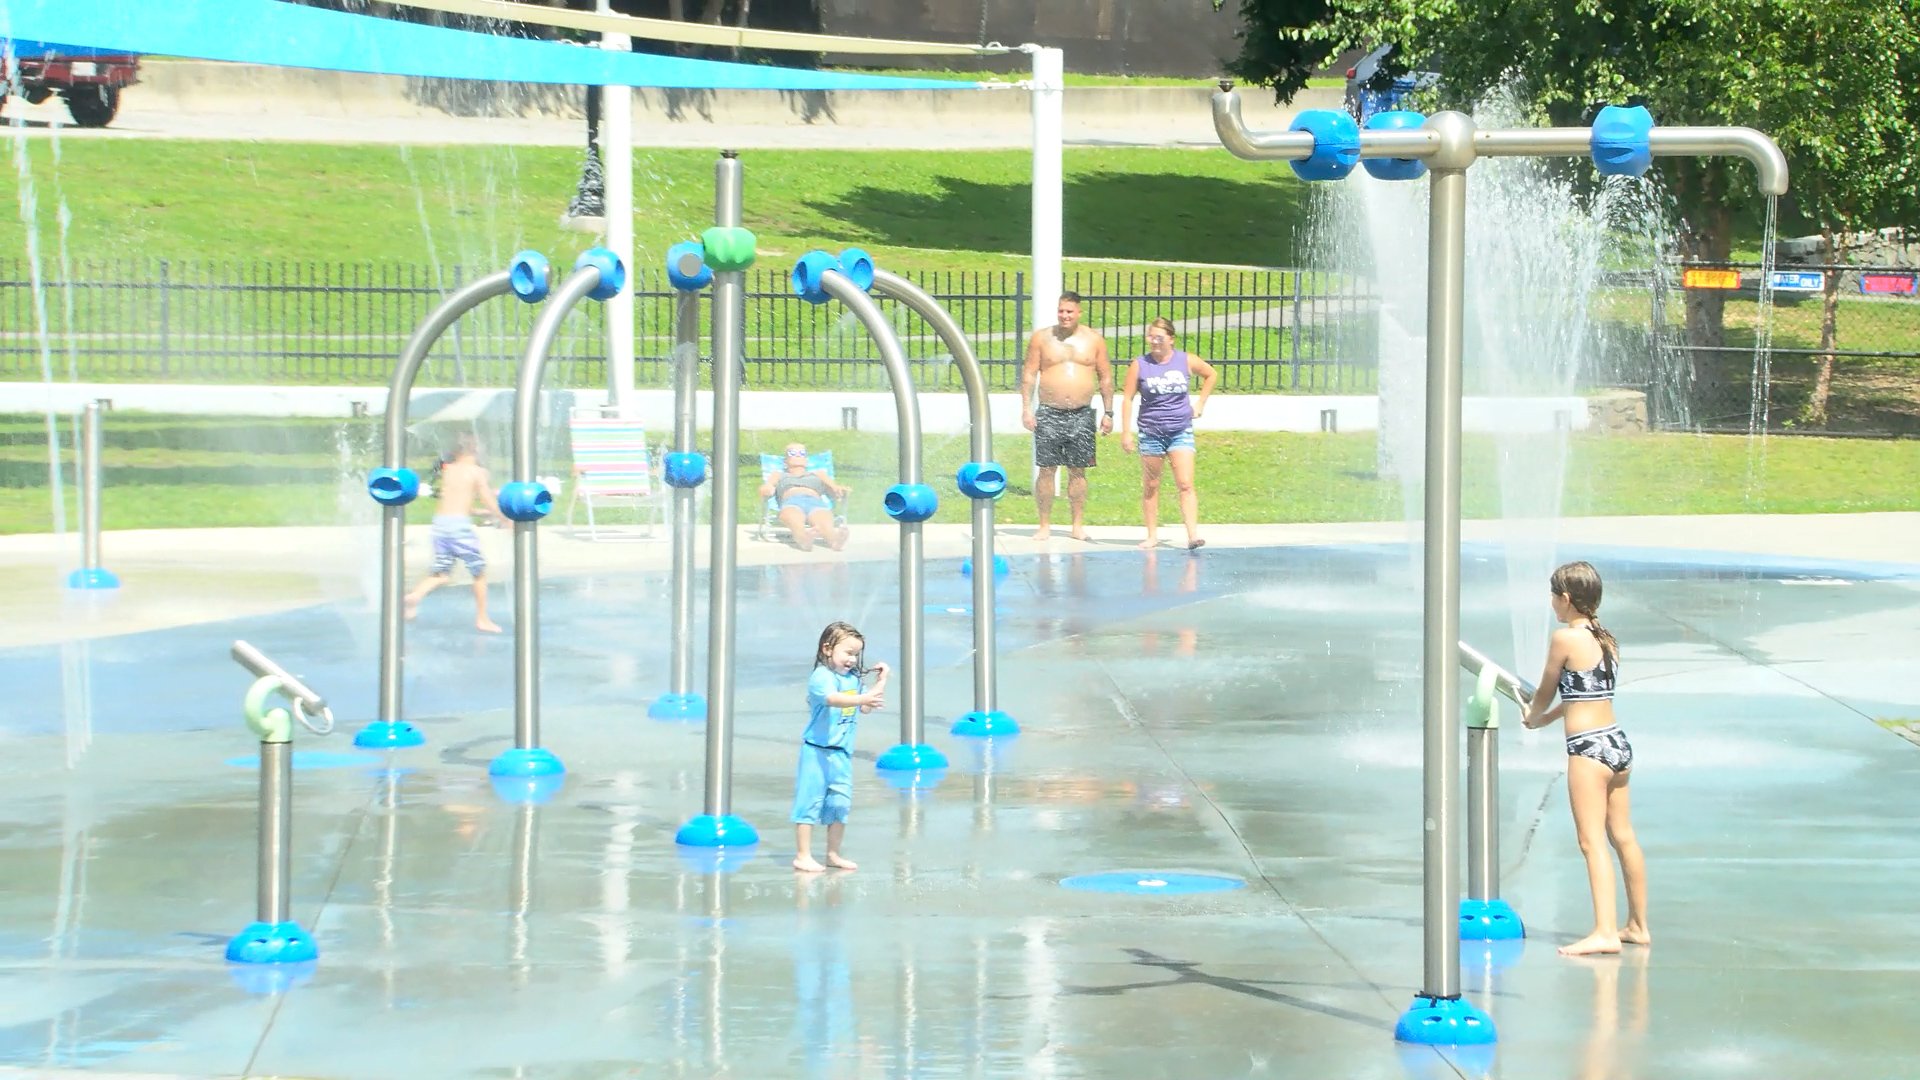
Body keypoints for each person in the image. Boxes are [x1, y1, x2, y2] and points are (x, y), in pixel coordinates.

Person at [1522, 560, 1650, 956]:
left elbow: (1546, 689)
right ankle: (1638, 926)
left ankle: (1604, 932)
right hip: (1616, 743)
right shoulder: (1606, 638)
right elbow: (1586, 697)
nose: (1551, 603)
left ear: (1566, 598)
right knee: (1623, 837)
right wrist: (1546, 719)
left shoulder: (1565, 639)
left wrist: (1532, 713)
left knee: (1590, 841)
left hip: (1588, 749)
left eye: (1553, 595)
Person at [793, 621, 889, 873]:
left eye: (856, 654)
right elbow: (832, 699)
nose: (853, 659)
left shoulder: (853, 680)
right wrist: (862, 698)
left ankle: (833, 854)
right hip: (816, 751)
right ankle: (803, 855)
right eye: (848, 652)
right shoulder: (821, 677)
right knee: (809, 802)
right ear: (827, 649)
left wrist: (881, 682)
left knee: (840, 804)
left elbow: (867, 707)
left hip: (842, 754)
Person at [1119, 317, 1218, 551]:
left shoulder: (1185, 360)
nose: (1154, 342)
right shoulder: (1140, 364)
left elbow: (1211, 375)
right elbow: (1127, 398)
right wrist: (1126, 433)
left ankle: (1193, 534)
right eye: (1150, 336)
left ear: (1171, 339)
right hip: (1151, 431)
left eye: (1159, 337)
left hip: (1180, 429)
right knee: (1152, 484)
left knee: (1185, 483)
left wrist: (1201, 403)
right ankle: (1152, 535)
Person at [1020, 291, 1113, 541]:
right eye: (1061, 311)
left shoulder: (1094, 340)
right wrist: (1026, 409)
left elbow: (1105, 377)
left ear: (1079, 312)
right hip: (1049, 412)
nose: (1064, 315)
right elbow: (1029, 374)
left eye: (1069, 311)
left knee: (1078, 471)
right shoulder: (1042, 339)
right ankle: (1044, 525)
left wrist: (1108, 412)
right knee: (1047, 469)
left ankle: (1077, 525)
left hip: (1081, 414)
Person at [404, 433, 504, 633]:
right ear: (475, 450)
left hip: (440, 525)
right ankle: (482, 618)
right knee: (479, 572)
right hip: (459, 528)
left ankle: (414, 597)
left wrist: (480, 512)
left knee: (442, 573)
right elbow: (486, 498)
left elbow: (460, 503)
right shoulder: (477, 472)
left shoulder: (449, 471)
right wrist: (503, 516)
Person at [760, 443, 850, 552]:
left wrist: (839, 490)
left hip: (816, 502)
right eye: (792, 453)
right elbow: (766, 487)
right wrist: (767, 489)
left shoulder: (819, 474)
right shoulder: (778, 475)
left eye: (802, 453)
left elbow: (833, 489)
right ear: (785, 461)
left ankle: (835, 540)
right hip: (791, 502)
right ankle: (803, 538)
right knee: (794, 519)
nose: (798, 455)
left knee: (823, 520)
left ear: (806, 460)